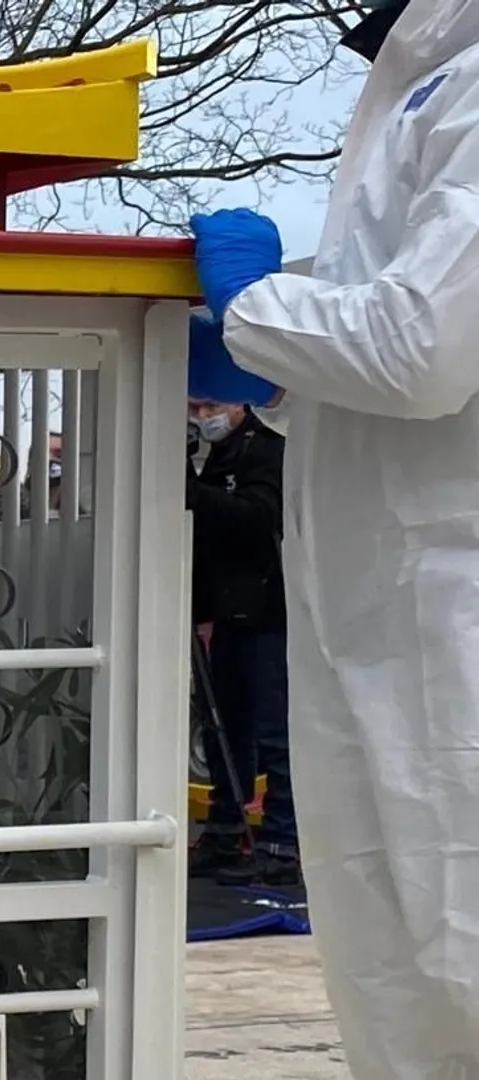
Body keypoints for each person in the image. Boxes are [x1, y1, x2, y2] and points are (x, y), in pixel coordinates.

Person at [186, 0, 479, 1070]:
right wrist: (276, 376)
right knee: (395, 972)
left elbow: (423, 346)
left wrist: (258, 308)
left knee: (454, 948)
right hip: (385, 616)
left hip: (449, 618)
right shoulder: (421, 80)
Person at [183, 400, 296, 886]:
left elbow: (258, 517)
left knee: (275, 732)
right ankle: (225, 829)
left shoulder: (269, 447)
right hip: (227, 610)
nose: (204, 414)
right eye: (195, 406)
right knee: (224, 727)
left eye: (212, 404)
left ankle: (281, 843)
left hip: (270, 608)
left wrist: (191, 495)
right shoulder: (216, 454)